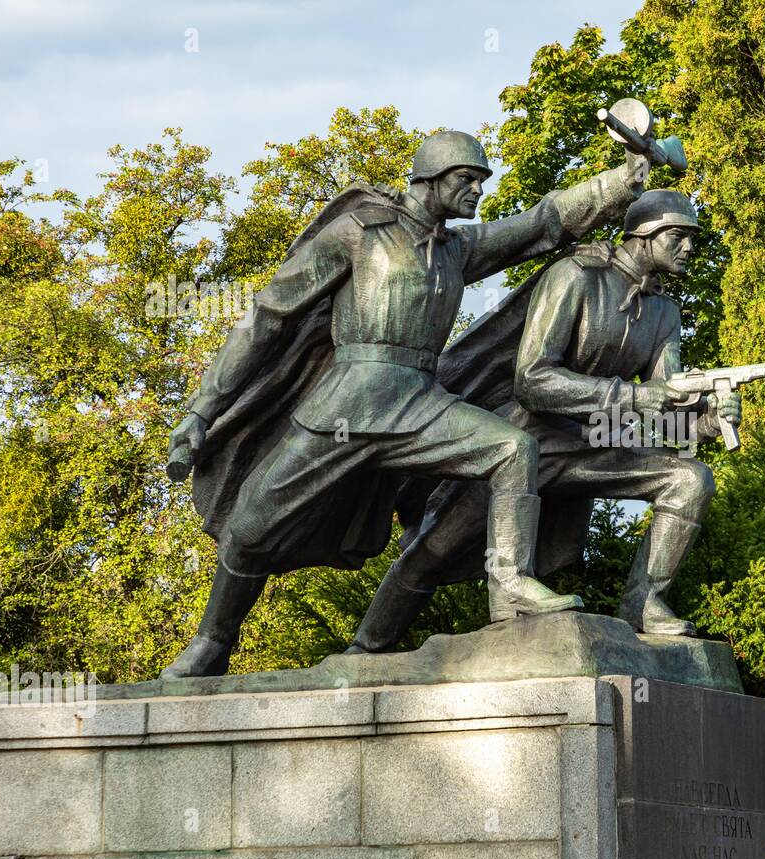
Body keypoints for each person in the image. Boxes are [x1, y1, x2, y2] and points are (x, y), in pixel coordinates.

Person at [163, 130, 650, 677]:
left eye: (481, 181)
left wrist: (620, 182)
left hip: (419, 401)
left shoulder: (456, 250)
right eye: (467, 179)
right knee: (251, 527)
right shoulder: (359, 232)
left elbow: (541, 224)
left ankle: (510, 586)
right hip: (347, 403)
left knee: (514, 448)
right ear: (431, 177)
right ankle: (212, 641)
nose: (477, 191)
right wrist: (203, 410)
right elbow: (267, 319)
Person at [348, 189, 740, 653]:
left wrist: (706, 421)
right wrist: (632, 396)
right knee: (432, 554)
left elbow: (666, 400)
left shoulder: (664, 312)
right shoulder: (575, 276)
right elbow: (532, 379)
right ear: (642, 235)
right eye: (678, 236)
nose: (690, 247)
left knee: (690, 479)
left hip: (596, 441)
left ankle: (643, 605)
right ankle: (366, 650)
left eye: (691, 238)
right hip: (523, 442)